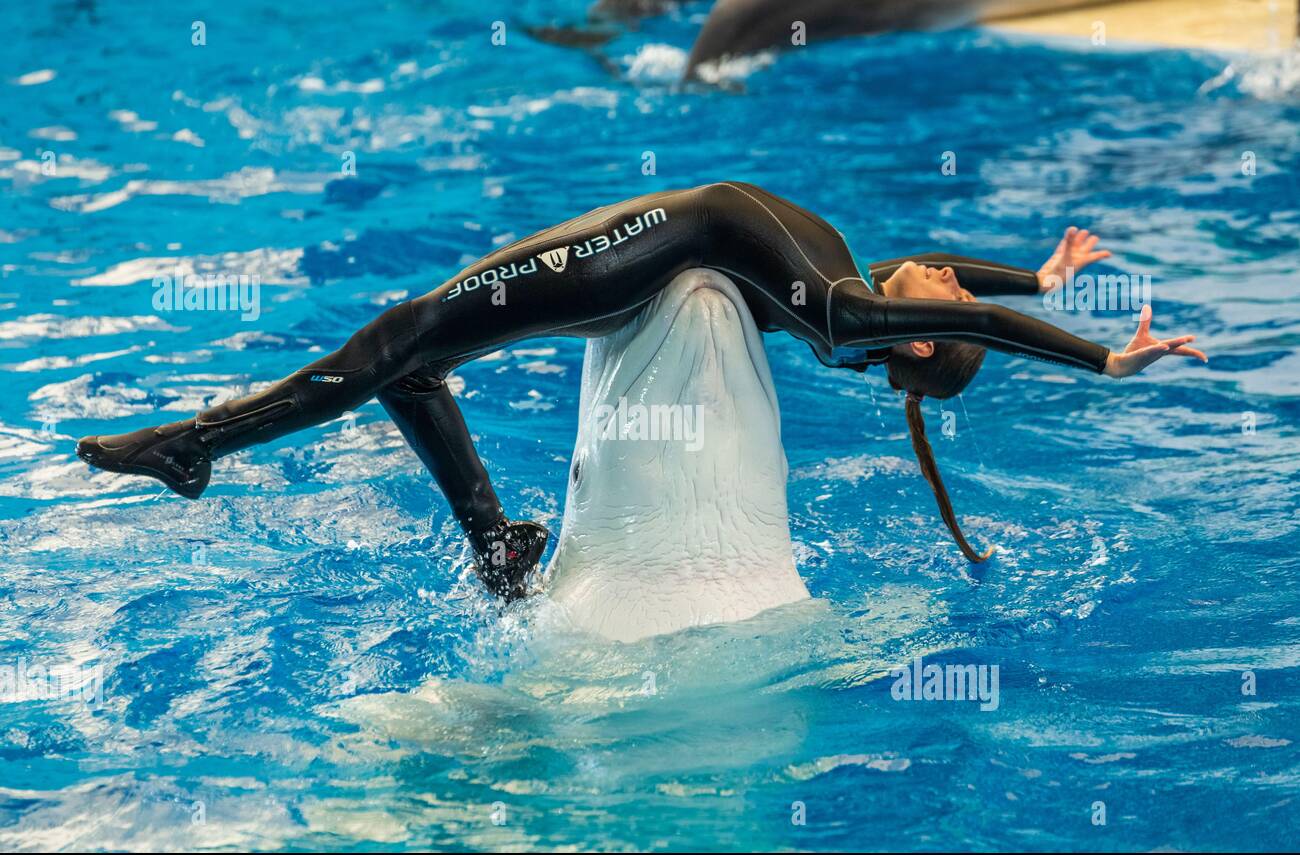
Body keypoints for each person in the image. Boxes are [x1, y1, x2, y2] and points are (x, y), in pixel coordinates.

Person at [76, 182, 1206, 597]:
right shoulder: (843, 309)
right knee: (413, 357)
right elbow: (954, 293)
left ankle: (200, 442)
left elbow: (959, 315)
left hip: (642, 250)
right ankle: (493, 542)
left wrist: (1101, 360)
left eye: (950, 294)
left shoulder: (843, 313)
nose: (949, 269)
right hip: (654, 257)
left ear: (912, 344)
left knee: (407, 338)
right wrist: (1045, 278)